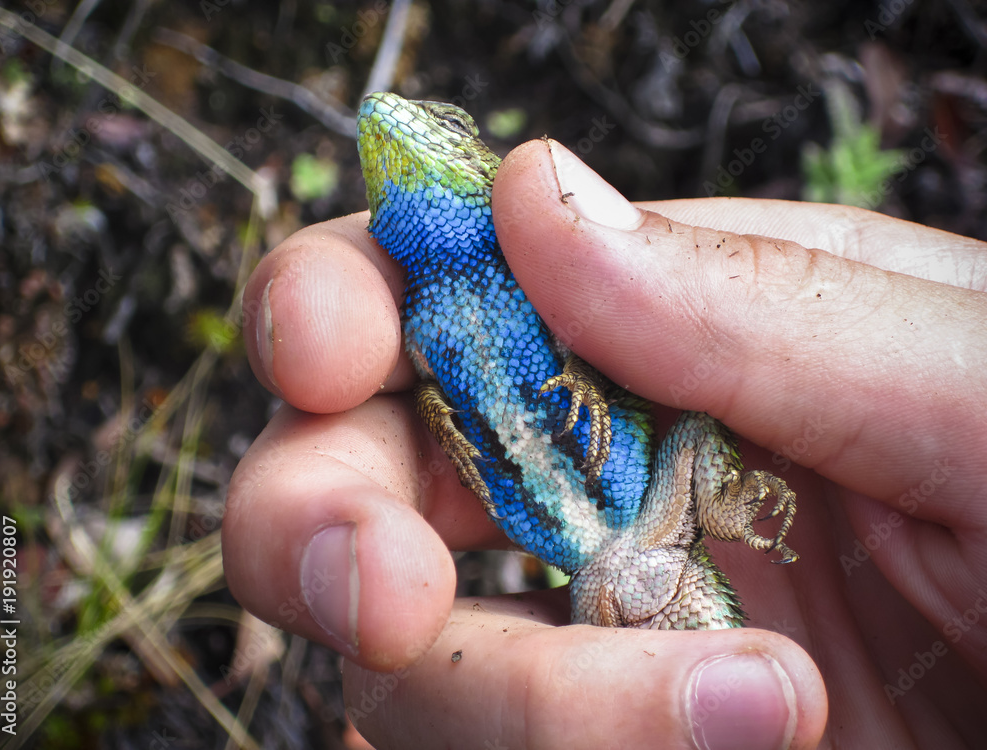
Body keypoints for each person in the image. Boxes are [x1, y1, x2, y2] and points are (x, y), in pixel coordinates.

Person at [223, 138, 987, 749]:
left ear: (477, 164)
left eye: (448, 125)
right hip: (587, 580)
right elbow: (424, 375)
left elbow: (594, 353)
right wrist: (430, 404)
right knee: (605, 702)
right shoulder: (413, 308)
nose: (393, 124)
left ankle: (722, 501)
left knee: (691, 429)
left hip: (658, 524)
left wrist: (590, 387)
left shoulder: (525, 270)